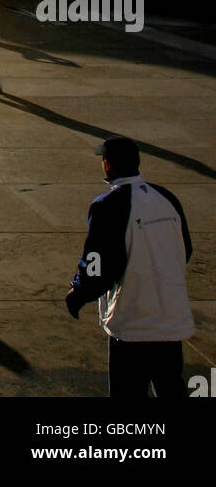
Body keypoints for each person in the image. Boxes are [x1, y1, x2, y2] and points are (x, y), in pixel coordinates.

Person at [65, 135, 194, 399]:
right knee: (170, 385)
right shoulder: (167, 198)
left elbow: (97, 263)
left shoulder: (107, 205)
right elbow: (185, 249)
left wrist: (78, 293)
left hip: (133, 323)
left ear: (108, 166)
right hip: (171, 320)